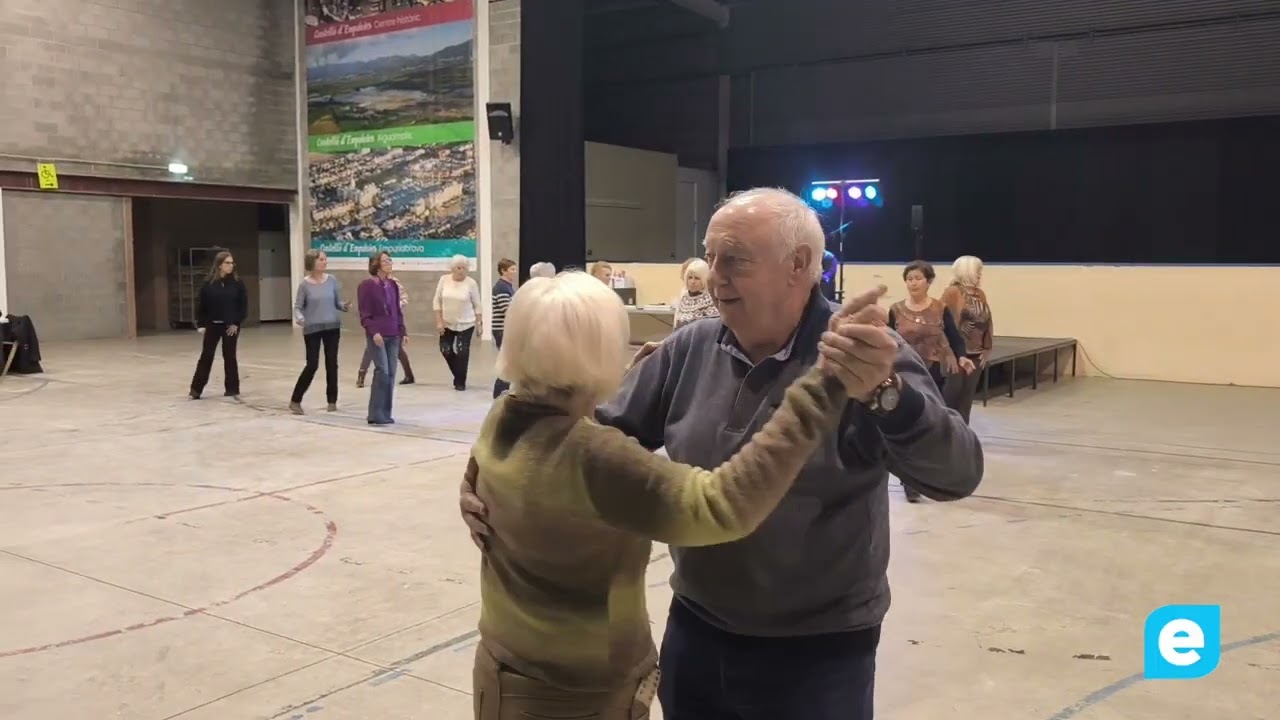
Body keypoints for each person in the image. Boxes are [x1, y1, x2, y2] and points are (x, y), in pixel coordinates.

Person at [462, 187, 984, 720]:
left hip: (819, 654)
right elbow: (573, 437)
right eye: (710, 257)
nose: (714, 275)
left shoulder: (864, 356)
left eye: (733, 258)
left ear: (797, 265)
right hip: (698, 632)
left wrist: (885, 396)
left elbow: (958, 473)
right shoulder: (691, 348)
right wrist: (483, 476)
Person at [467, 271, 870, 720]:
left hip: (506, 670)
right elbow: (724, 505)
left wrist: (625, 378)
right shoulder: (597, 458)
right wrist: (819, 389)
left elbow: (528, 465)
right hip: (578, 694)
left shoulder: (505, 416)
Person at [887, 260, 973, 502]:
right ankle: (908, 481)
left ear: (929, 281)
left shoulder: (940, 308)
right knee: (904, 426)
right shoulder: (895, 309)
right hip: (904, 373)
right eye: (909, 278)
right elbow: (886, 337)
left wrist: (962, 357)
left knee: (928, 424)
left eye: (918, 278)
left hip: (933, 373)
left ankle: (928, 473)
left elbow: (954, 337)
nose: (913, 283)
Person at [289, 250, 350, 415]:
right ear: (313, 262)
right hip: (312, 329)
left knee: (332, 364)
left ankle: (332, 400)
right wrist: (299, 317)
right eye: (321, 259)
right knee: (312, 364)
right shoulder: (304, 284)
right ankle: (295, 399)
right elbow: (298, 306)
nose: (325, 262)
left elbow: (337, 302)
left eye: (325, 259)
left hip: (332, 327)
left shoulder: (332, 280)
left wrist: (344, 306)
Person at [940, 255, 993, 424]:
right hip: (957, 354)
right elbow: (944, 323)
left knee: (966, 400)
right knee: (951, 397)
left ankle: (964, 436)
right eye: (978, 272)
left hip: (976, 354)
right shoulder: (952, 292)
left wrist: (987, 347)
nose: (980, 275)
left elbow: (987, 320)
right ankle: (946, 435)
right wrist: (950, 352)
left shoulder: (980, 294)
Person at [357, 251, 407, 425]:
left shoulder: (393, 285)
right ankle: (375, 413)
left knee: (392, 373)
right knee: (382, 371)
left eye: (390, 260)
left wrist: (403, 331)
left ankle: (386, 412)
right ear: (376, 265)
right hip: (377, 334)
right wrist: (374, 331)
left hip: (393, 334)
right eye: (385, 261)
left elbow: (397, 310)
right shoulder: (366, 286)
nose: (389, 263)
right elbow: (364, 314)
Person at [189, 250, 247, 400]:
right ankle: (196, 390)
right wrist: (201, 324)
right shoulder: (208, 283)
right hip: (212, 325)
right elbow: (201, 305)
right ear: (219, 265)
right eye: (227, 263)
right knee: (206, 356)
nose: (231, 265)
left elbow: (243, 305)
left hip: (230, 326)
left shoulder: (237, 283)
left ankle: (232, 389)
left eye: (232, 263)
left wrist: (236, 322)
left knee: (230, 356)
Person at [434, 254, 483, 391]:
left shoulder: (471, 283)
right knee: (446, 350)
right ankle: (458, 373)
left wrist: (479, 324)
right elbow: (437, 301)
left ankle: (460, 381)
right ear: (452, 268)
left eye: (464, 268)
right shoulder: (444, 280)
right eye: (458, 268)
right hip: (447, 322)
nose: (461, 271)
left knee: (462, 352)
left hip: (466, 323)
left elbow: (477, 305)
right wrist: (439, 321)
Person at [356, 274, 415, 387]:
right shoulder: (369, 284)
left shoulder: (393, 282)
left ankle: (409, 374)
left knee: (398, 349)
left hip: (392, 323)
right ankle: (361, 375)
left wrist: (393, 306)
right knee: (370, 349)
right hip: (378, 324)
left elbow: (404, 298)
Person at [491, 258, 516, 398]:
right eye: (512, 269)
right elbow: (507, 310)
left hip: (504, 329)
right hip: (501, 329)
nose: (514, 272)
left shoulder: (508, 286)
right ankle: (499, 391)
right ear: (503, 271)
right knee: (507, 360)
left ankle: (502, 390)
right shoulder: (501, 287)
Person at [671, 258, 718, 330]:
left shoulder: (711, 299)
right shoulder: (684, 297)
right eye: (690, 278)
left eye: (697, 278)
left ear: (704, 279)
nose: (692, 281)